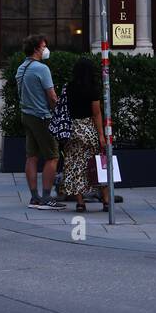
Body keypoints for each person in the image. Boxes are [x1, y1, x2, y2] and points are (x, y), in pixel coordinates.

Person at [16, 34, 63, 210]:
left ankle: (34, 197)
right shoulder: (42, 69)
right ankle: (46, 197)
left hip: (26, 115)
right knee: (52, 156)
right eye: (44, 46)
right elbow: (51, 95)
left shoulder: (22, 67)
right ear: (36, 49)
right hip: (42, 116)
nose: (45, 49)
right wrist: (57, 108)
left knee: (32, 156)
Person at [62, 57, 109, 213]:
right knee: (97, 165)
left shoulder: (69, 88)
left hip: (72, 130)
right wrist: (101, 135)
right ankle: (106, 201)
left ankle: (80, 203)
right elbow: (96, 113)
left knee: (75, 166)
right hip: (88, 129)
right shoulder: (92, 89)